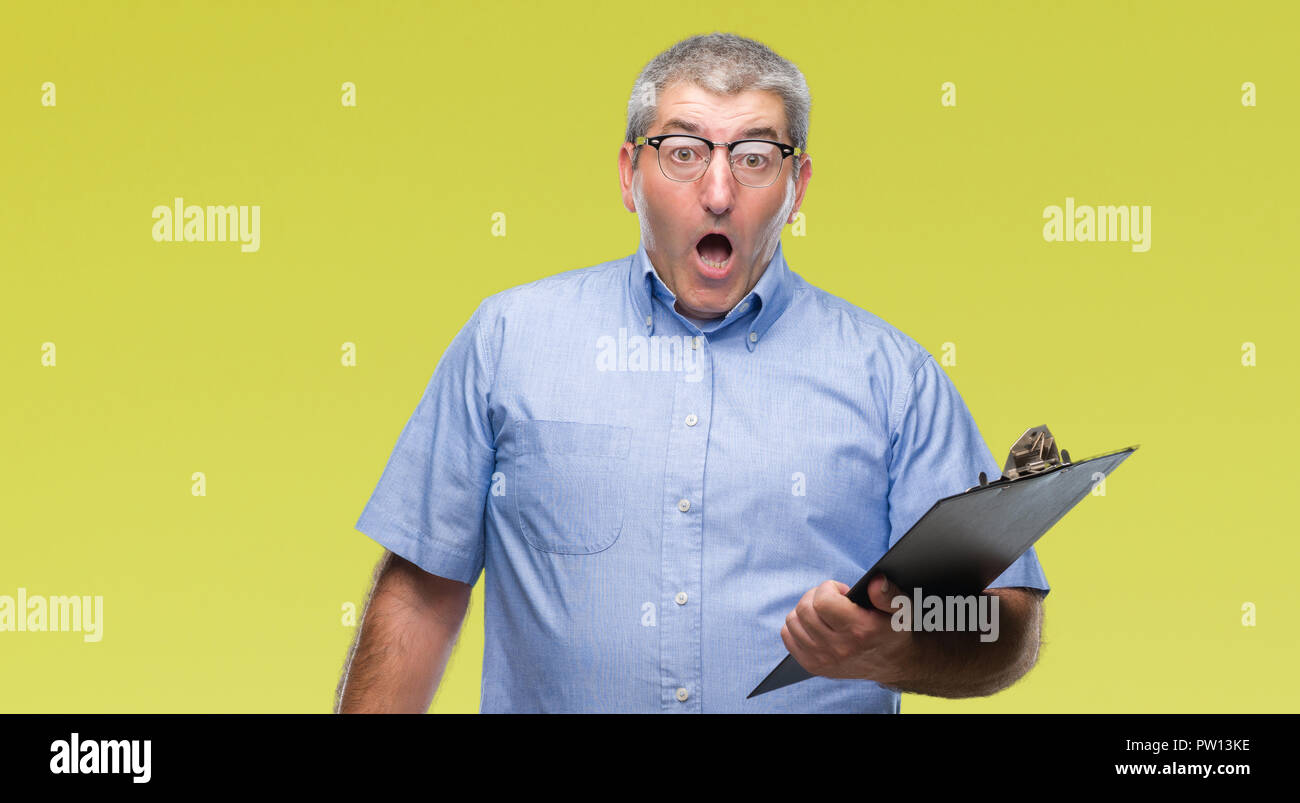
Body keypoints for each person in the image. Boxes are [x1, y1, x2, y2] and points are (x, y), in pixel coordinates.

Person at [336, 32, 1048, 714]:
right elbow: (424, 589)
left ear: (797, 185)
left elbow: (1008, 624)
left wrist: (891, 647)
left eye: (755, 156)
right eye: (682, 152)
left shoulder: (895, 379)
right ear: (628, 174)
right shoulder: (506, 341)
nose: (717, 191)